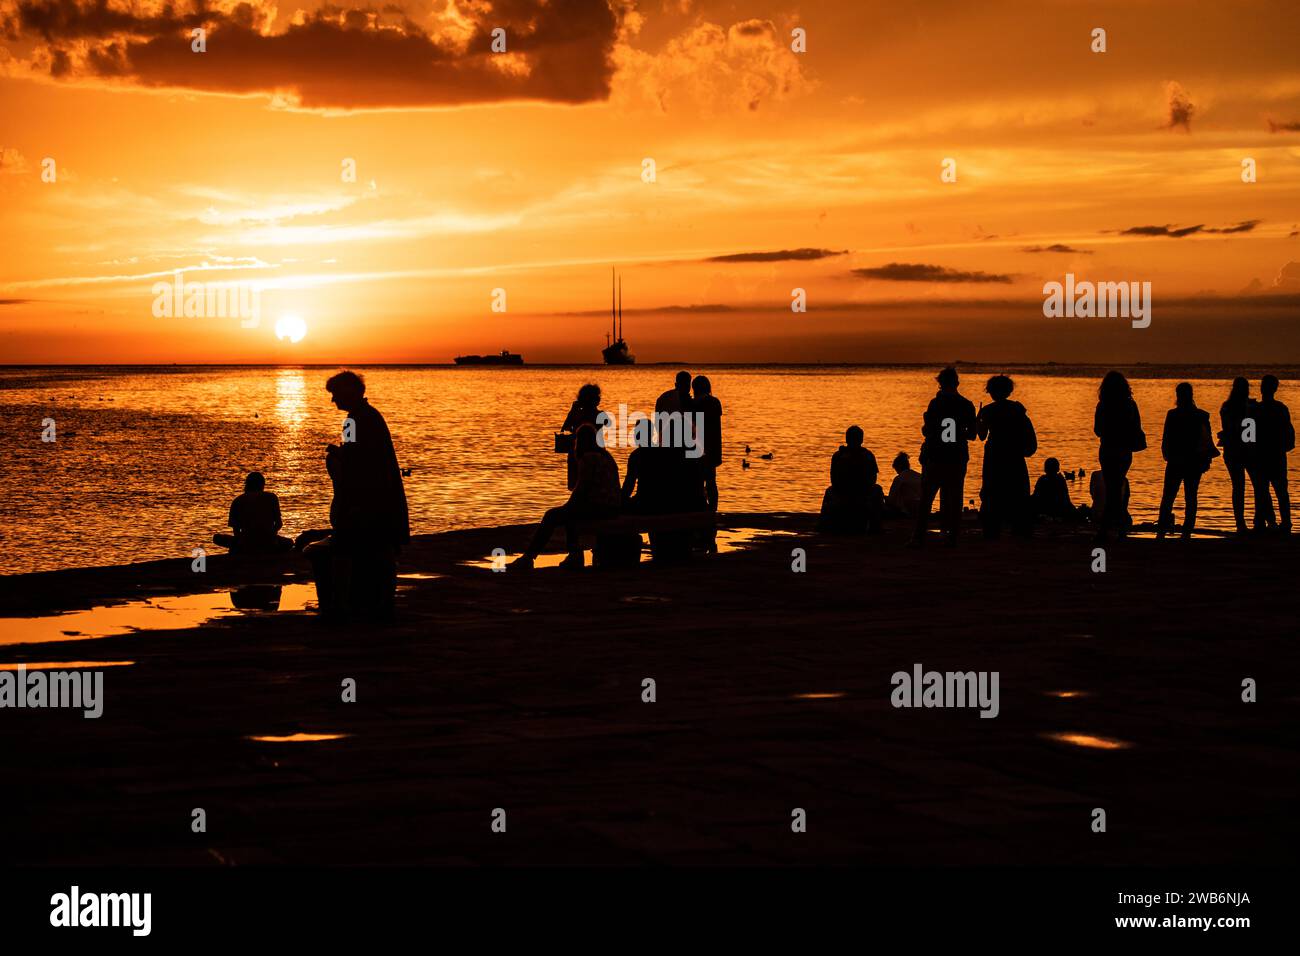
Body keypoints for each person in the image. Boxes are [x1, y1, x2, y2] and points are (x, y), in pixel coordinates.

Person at [305, 370, 410, 621]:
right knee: (379, 551)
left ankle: (343, 605)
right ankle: (380, 603)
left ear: (349, 391)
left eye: (335, 394)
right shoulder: (366, 417)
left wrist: (339, 461)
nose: (333, 401)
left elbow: (356, 461)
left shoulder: (354, 420)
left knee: (349, 549)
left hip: (369, 497)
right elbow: (356, 454)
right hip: (379, 495)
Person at [513, 424, 621, 570]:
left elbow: (582, 488)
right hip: (611, 505)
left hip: (600, 507)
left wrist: (568, 506)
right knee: (571, 513)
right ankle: (574, 555)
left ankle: (529, 557)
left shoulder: (588, 458)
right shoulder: (606, 456)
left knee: (552, 515)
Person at [911, 367, 977, 546]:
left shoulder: (935, 404)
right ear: (957, 383)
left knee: (927, 498)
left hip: (936, 455)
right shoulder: (966, 404)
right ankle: (953, 537)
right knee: (955, 498)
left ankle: (918, 537)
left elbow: (928, 430)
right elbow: (972, 434)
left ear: (940, 384)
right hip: (957, 456)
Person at [975, 375, 1035, 538]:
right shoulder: (1018, 409)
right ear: (1009, 391)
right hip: (1014, 453)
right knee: (1017, 490)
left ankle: (992, 528)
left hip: (995, 454)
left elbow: (981, 435)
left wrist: (978, 419)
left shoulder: (988, 410)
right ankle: (1020, 527)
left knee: (992, 491)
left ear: (991, 392)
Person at [1157, 382, 1218, 539]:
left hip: (1176, 461)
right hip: (1193, 462)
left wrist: (1168, 456)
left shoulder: (1172, 415)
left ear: (1178, 396)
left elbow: (1166, 441)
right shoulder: (1201, 416)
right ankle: (1186, 531)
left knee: (1168, 497)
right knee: (1191, 496)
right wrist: (1206, 461)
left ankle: (1162, 530)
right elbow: (1207, 442)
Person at [1092, 371, 1145, 543]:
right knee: (1116, 487)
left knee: (1112, 488)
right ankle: (1119, 527)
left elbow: (1097, 430)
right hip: (1124, 450)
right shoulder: (1130, 405)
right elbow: (1137, 427)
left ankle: (1107, 529)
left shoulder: (1103, 405)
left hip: (1107, 449)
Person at [817, 426, 884, 533]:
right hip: (862, 493)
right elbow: (873, 478)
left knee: (829, 490)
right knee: (878, 489)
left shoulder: (838, 456)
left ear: (847, 439)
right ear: (861, 439)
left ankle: (823, 524)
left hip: (842, 492)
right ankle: (875, 526)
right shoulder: (868, 455)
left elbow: (833, 478)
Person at [1219, 377, 1262, 534]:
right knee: (1257, 486)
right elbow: (1250, 433)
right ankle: (1256, 521)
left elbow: (1229, 429)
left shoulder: (1227, 407)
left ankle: (1242, 523)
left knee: (1239, 487)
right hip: (1246, 451)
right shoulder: (1251, 407)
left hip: (1233, 451)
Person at [212, 471, 293, 553]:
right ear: (262, 484)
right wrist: (271, 536)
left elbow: (236, 531)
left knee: (217, 538)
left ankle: (244, 549)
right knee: (290, 542)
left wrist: (241, 543)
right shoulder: (272, 498)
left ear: (247, 484)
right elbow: (279, 524)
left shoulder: (237, 501)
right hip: (269, 542)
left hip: (246, 543)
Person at [1256, 374, 1295, 533]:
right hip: (1277, 454)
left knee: (1263, 490)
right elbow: (1289, 432)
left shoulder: (1255, 409)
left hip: (1261, 455)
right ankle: (1285, 522)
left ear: (1261, 388)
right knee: (1280, 491)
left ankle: (1269, 522)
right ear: (1275, 389)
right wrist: (1285, 447)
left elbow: (1248, 436)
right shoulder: (1281, 408)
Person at [560, 383, 603, 490]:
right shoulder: (599, 415)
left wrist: (573, 412)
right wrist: (573, 411)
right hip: (583, 452)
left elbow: (565, 428)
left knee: (581, 487)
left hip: (583, 453)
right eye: (596, 396)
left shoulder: (596, 415)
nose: (599, 399)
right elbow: (565, 428)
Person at [886, 452, 923, 518]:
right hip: (921, 508)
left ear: (898, 467)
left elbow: (891, 498)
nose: (897, 472)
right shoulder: (919, 476)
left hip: (906, 511)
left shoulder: (899, 478)